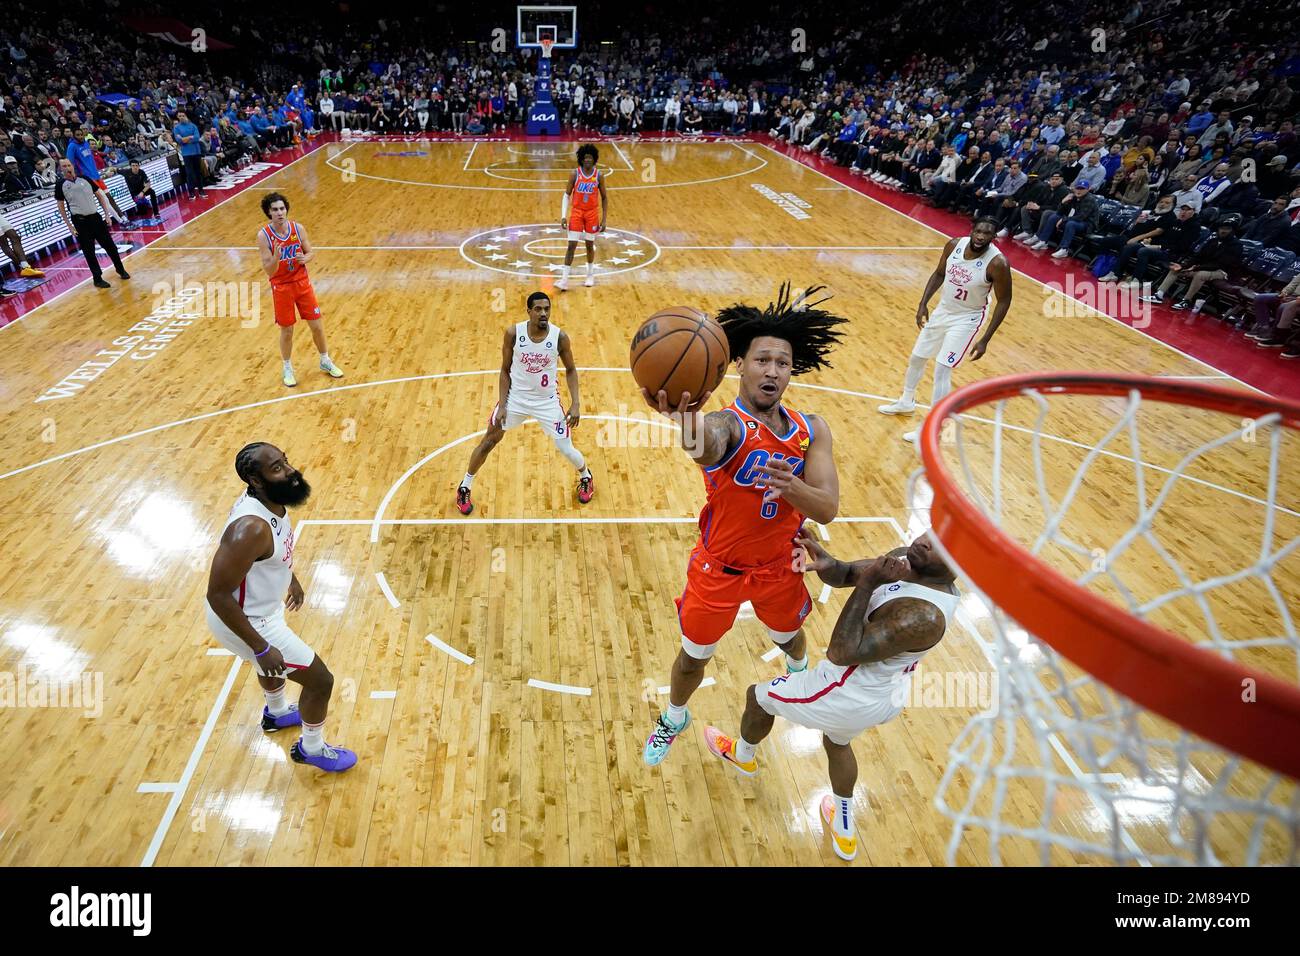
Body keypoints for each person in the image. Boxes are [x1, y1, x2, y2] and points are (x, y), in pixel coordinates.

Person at [639, 284, 848, 767]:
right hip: (719, 570)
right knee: (693, 657)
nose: (772, 370)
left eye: (782, 363)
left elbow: (828, 507)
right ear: (739, 365)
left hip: (779, 566)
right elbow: (704, 447)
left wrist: (793, 489)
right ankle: (675, 716)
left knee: (789, 636)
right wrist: (685, 418)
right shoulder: (726, 425)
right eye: (762, 360)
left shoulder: (812, 427)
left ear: (792, 371)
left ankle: (801, 674)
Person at [703, 531, 958, 862]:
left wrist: (867, 585)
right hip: (882, 691)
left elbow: (841, 652)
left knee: (758, 697)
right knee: (838, 743)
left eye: (942, 546)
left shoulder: (924, 615)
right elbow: (847, 573)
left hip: (847, 690)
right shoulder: (910, 561)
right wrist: (827, 561)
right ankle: (844, 824)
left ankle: (743, 754)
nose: (926, 542)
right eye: (931, 533)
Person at [205, 443, 357, 773]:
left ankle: (274, 714)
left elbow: (268, 557)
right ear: (254, 480)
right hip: (244, 619)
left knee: (275, 667)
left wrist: (290, 579)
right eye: (276, 468)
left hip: (261, 607)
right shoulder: (250, 529)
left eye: (285, 461)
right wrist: (260, 647)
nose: (288, 470)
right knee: (321, 682)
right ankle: (311, 748)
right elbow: (217, 594)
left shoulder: (270, 501)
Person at [455, 291, 594, 514]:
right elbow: (504, 370)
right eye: (538, 309)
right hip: (516, 399)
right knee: (489, 440)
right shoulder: (513, 333)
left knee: (566, 449)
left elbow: (571, 370)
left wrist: (576, 403)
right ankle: (464, 486)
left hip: (547, 402)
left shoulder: (559, 337)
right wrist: (502, 405)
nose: (543, 313)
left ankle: (586, 476)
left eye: (547, 309)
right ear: (528, 311)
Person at [878, 218, 1013, 443]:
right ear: (972, 231)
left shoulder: (997, 263)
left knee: (942, 368)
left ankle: (932, 427)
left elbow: (1004, 301)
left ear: (993, 237)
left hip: (967, 319)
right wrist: (923, 303)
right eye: (978, 231)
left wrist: (985, 339)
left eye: (987, 234)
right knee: (917, 358)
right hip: (944, 310)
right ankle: (906, 401)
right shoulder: (953, 245)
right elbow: (939, 273)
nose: (981, 236)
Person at [257, 192, 344, 387]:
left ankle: (325, 360)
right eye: (275, 210)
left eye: (282, 208)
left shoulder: (298, 228)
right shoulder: (264, 236)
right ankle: (287, 367)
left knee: (317, 325)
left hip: (302, 282)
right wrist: (276, 257)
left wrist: (306, 258)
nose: (280, 213)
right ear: (268, 213)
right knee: (287, 331)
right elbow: (269, 271)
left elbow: (310, 251)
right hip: (281, 286)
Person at [54, 158, 129, 289]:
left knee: (110, 246)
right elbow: (60, 206)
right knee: (89, 252)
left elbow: (100, 196)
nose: (67, 168)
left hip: (96, 218)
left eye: (68, 165)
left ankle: (120, 269)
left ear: (72, 165)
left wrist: (106, 214)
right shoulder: (60, 184)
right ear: (61, 169)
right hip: (80, 221)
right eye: (64, 166)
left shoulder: (85, 179)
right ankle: (97, 278)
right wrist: (69, 226)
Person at [557, 144, 607, 290]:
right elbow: (566, 195)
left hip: (592, 213)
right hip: (577, 213)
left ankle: (590, 275)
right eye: (585, 157)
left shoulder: (599, 175)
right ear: (581, 159)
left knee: (589, 245)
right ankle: (564, 280)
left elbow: (604, 198)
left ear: (594, 159)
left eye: (590, 157)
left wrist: (604, 219)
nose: (588, 160)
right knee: (571, 246)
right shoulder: (575, 174)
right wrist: (563, 216)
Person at [172, 110, 207, 200]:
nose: (181, 117)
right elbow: (179, 140)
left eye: (183, 115)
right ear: (178, 117)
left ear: (186, 116)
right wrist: (190, 137)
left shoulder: (193, 126)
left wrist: (185, 139)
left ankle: (201, 190)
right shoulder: (176, 128)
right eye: (179, 116)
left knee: (198, 172)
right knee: (189, 174)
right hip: (186, 153)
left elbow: (196, 138)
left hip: (196, 151)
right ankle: (191, 192)